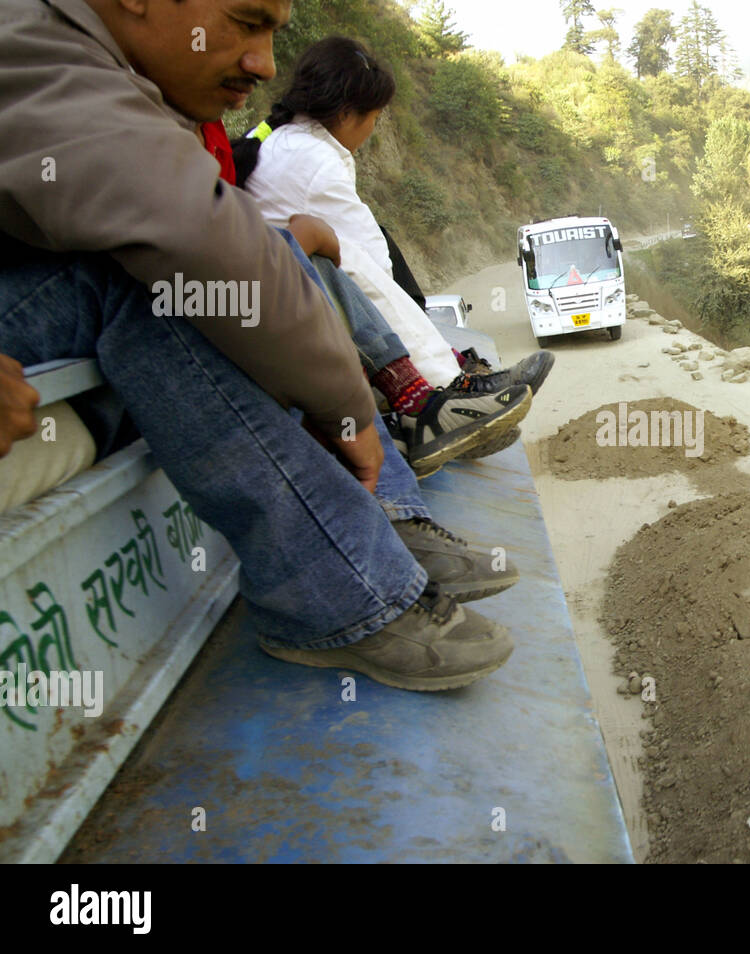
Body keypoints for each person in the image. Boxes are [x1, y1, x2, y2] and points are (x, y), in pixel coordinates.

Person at [0, 0, 516, 691]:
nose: (266, 63)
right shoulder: (35, 50)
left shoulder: (94, 65)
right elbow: (190, 232)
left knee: (257, 249)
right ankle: (341, 593)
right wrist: (346, 409)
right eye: (247, 22)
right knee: (166, 272)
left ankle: (384, 520)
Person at [234, 37, 554, 460]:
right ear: (348, 114)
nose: (373, 128)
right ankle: (442, 393)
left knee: (364, 253)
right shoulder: (314, 162)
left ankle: (451, 381)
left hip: (277, 296)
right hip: (285, 310)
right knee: (358, 268)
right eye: (375, 117)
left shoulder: (291, 143)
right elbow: (375, 275)